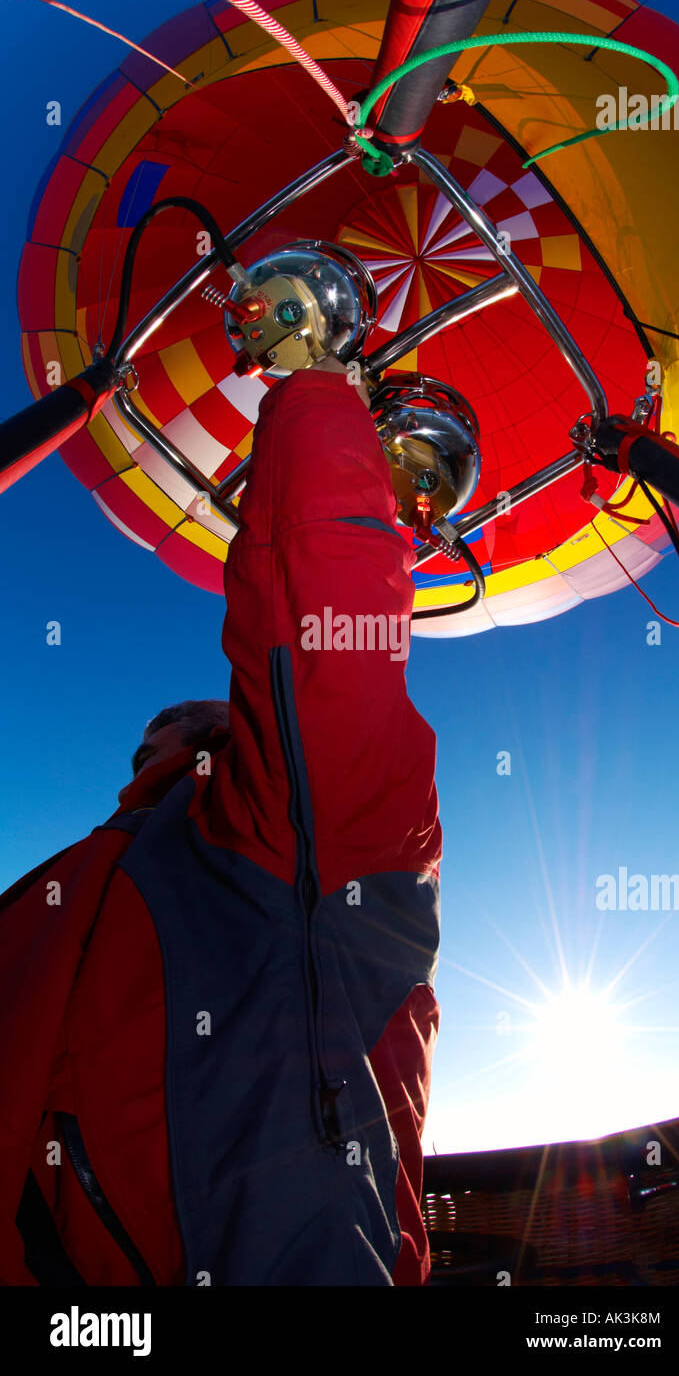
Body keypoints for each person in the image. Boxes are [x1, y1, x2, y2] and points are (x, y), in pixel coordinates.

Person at [0, 355, 442, 1286]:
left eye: (195, 723)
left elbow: (328, 644)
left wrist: (317, 389)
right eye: (160, 732)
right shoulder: (82, 880)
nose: (169, 735)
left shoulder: (280, 823)